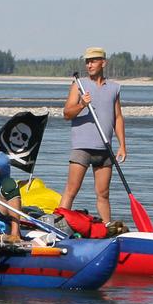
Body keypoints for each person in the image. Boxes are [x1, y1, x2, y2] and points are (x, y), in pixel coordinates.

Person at [59, 47, 125, 224]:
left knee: (103, 193)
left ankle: (107, 228)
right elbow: (66, 114)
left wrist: (122, 145)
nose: (89, 65)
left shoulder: (114, 88)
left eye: (93, 61)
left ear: (103, 63)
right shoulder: (79, 85)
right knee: (72, 189)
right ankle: (57, 224)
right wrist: (81, 104)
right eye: (87, 62)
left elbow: (118, 117)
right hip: (82, 147)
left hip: (105, 148)